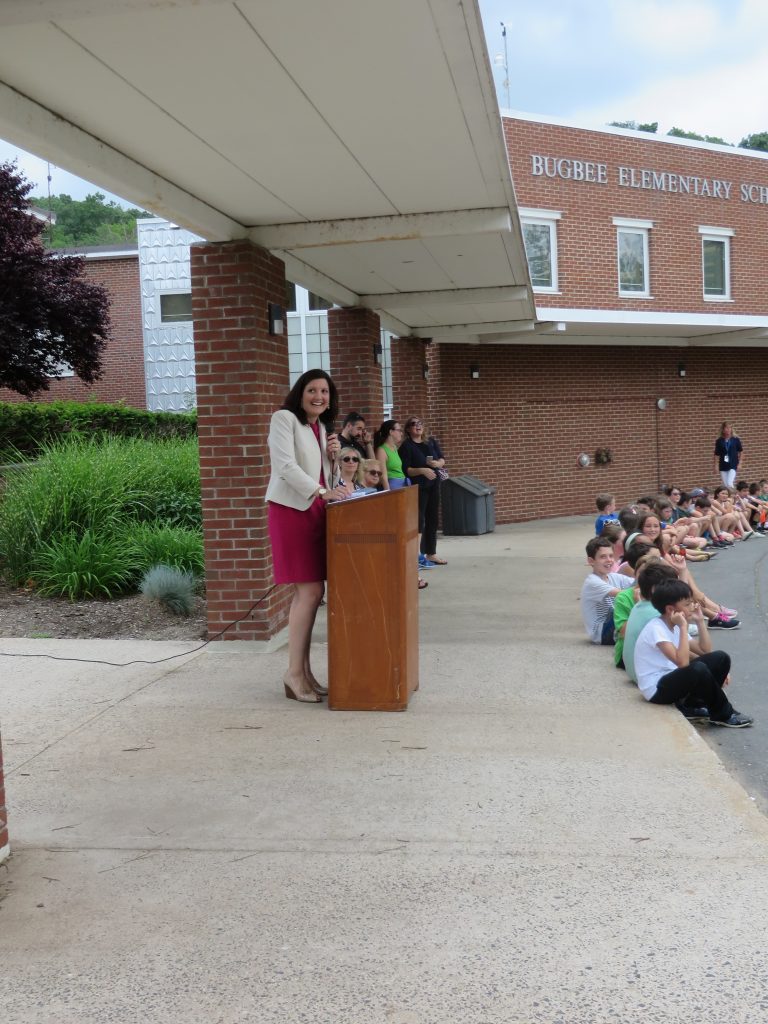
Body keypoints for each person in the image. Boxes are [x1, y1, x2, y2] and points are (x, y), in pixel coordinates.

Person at [266, 369, 347, 704]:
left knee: (313, 592)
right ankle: (293, 674)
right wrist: (319, 490)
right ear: (300, 393)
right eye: (312, 390)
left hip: (316, 509)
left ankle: (304, 673)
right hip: (292, 510)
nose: (319, 396)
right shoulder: (284, 419)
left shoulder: (323, 428)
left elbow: (330, 477)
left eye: (325, 392)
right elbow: (285, 466)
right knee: (310, 590)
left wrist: (334, 458)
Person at [633, 579, 753, 728]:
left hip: (673, 679)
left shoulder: (674, 626)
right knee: (698, 669)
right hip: (657, 689)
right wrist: (683, 627)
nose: (692, 607)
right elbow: (682, 662)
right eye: (687, 604)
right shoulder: (656, 629)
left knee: (720, 658)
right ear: (671, 609)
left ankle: (693, 705)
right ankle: (723, 714)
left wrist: (700, 621)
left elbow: (705, 650)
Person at [399, 416, 447, 567]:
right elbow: (406, 470)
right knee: (419, 521)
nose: (418, 426)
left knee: (433, 519)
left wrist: (437, 463)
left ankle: (431, 553)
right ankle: (416, 556)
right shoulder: (406, 446)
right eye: (414, 424)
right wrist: (422, 470)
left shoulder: (430, 442)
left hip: (434, 485)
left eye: (420, 424)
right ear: (408, 429)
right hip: (418, 487)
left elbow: (442, 459)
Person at [580, 535, 634, 645]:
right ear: (591, 561)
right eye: (603, 557)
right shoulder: (592, 582)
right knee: (628, 602)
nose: (609, 560)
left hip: (613, 623)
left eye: (611, 556)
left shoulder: (614, 577)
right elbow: (623, 594)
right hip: (602, 632)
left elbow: (638, 583)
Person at [374, 419, 407, 491]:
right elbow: (383, 475)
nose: (401, 433)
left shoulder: (394, 447)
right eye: (399, 430)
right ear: (391, 432)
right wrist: (387, 491)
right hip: (392, 485)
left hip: (402, 483)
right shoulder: (381, 450)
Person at [714, 421, 744, 489]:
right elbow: (716, 454)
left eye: (730, 428)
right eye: (726, 428)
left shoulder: (735, 439)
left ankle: (735, 496)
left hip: (733, 464)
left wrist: (740, 463)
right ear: (723, 430)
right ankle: (729, 498)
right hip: (723, 465)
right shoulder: (719, 441)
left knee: (729, 483)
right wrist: (716, 466)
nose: (728, 429)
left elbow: (741, 452)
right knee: (725, 486)